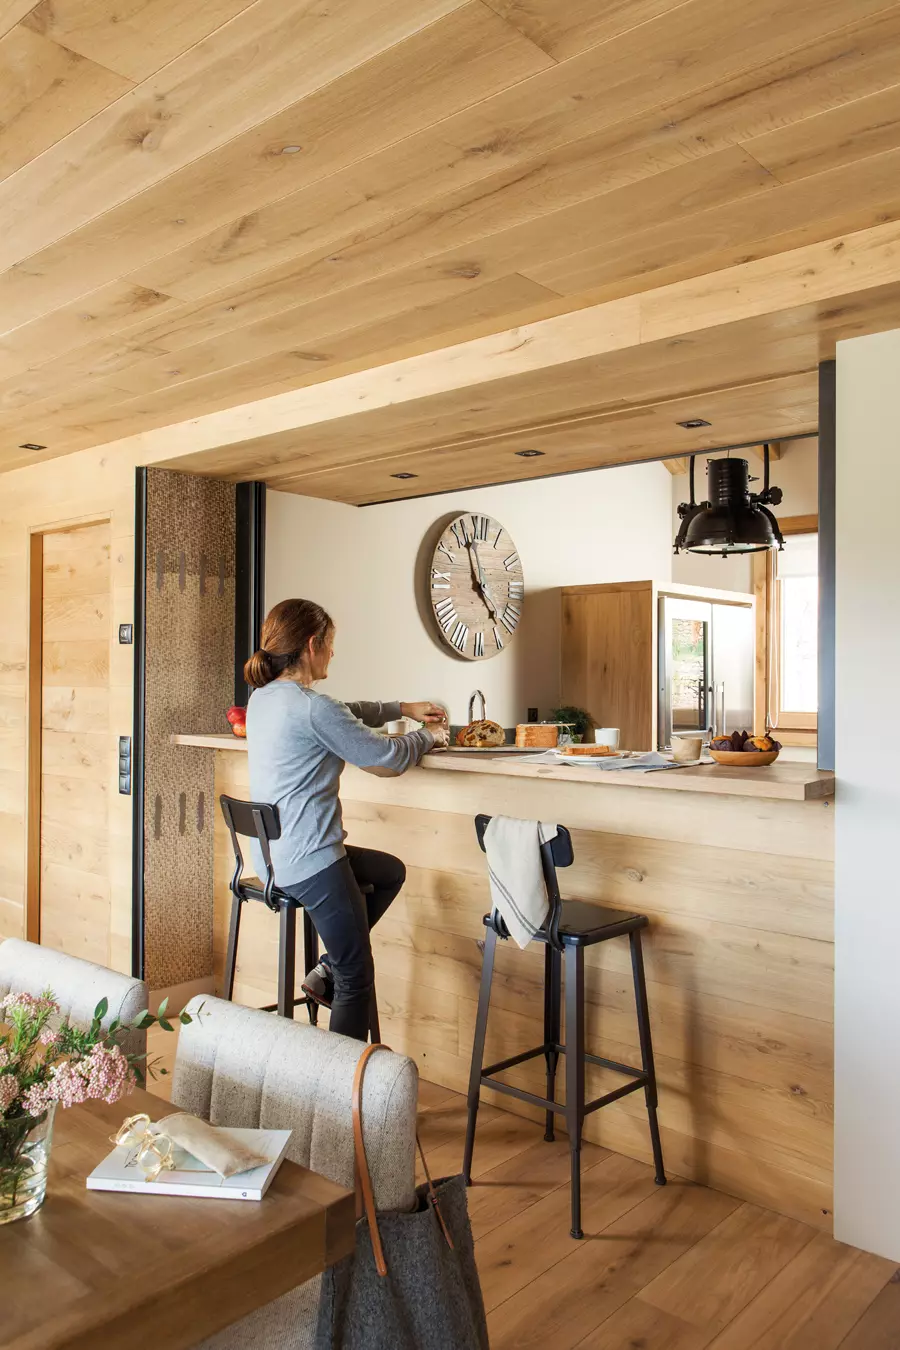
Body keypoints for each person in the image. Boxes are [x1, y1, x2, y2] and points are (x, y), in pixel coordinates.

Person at [244, 597, 448, 1041]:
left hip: (273, 862)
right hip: (311, 863)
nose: (334, 653)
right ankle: (339, 1097)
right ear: (313, 644)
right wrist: (428, 737)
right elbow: (385, 760)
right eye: (331, 645)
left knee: (389, 872)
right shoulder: (312, 708)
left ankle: (325, 969)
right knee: (356, 979)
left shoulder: (264, 700)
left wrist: (401, 708)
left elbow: (345, 712)